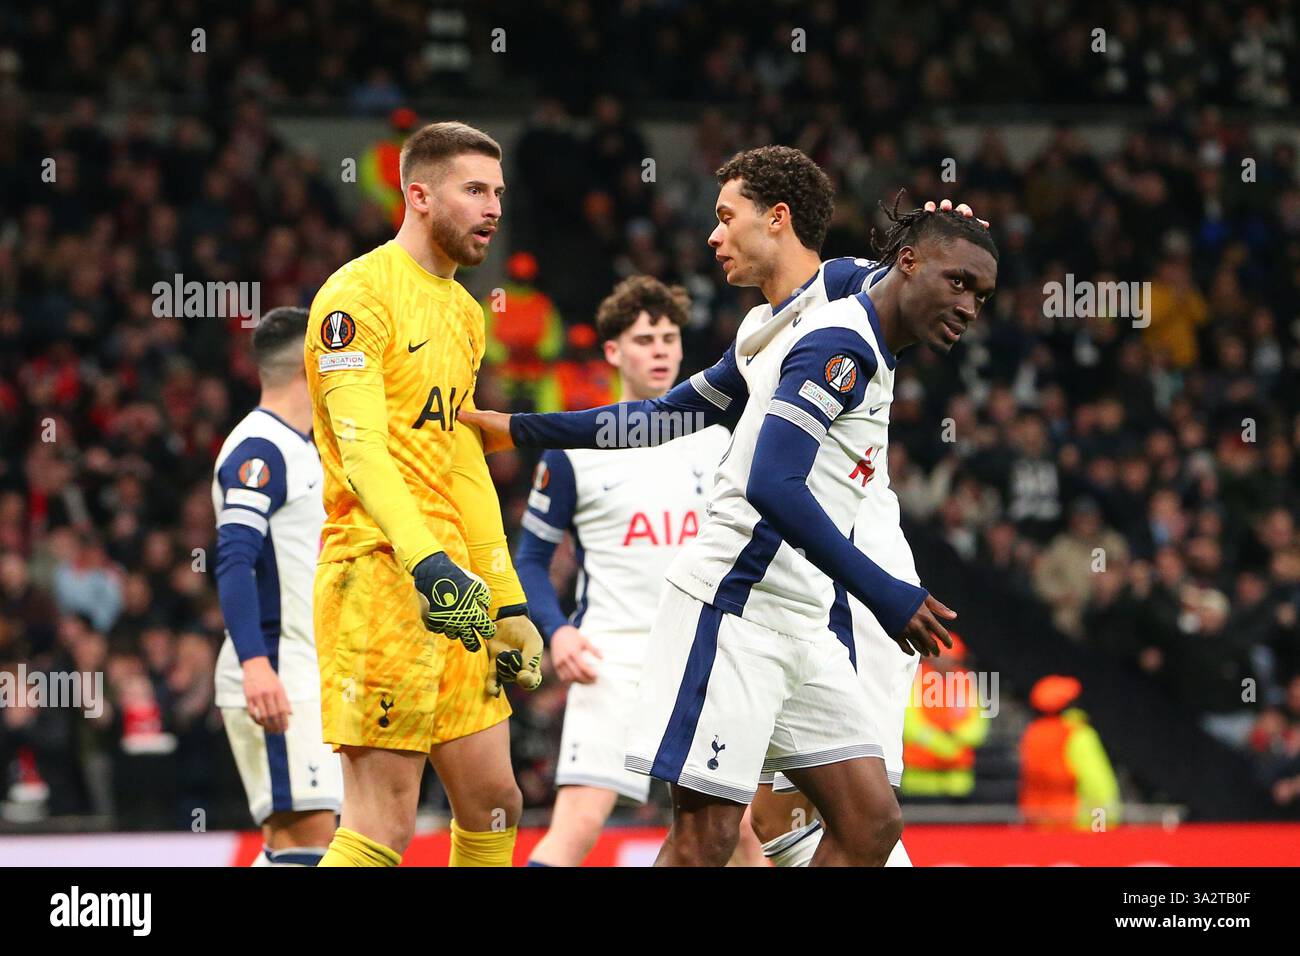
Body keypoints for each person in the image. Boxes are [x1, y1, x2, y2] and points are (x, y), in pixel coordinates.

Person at [464, 155, 998, 866]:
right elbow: (661, 422)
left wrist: (942, 236)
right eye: (959, 285)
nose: (713, 237)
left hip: (808, 616)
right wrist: (519, 427)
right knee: (709, 840)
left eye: (725, 217)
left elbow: (891, 278)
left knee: (870, 825)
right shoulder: (778, 334)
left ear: (777, 219)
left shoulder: (842, 291)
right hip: (738, 604)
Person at [305, 121, 542, 868]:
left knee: (496, 801)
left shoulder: (467, 313)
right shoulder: (356, 295)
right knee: (383, 822)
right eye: (475, 190)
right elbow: (362, 450)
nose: (493, 208)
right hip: (379, 575)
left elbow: (462, 455)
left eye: (498, 193)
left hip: (456, 589)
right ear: (419, 194)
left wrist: (504, 598)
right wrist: (427, 563)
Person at [515, 276, 735, 866]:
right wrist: (557, 632)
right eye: (644, 339)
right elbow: (530, 560)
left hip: (703, 655)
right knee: (577, 828)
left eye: (669, 337)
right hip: (611, 660)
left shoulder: (719, 439)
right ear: (613, 352)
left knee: (732, 837)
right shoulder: (573, 451)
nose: (660, 350)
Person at [212, 306, 341, 866]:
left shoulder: (302, 447)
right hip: (277, 675)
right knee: (309, 839)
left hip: (306, 671)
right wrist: (256, 665)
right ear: (311, 365)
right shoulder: (259, 450)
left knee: (315, 839)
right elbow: (234, 560)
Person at [1019, 675, 1120, 829]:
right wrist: (1103, 826)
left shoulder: (1032, 735)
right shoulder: (1078, 734)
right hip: (1074, 827)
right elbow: (1098, 786)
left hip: (1038, 827)